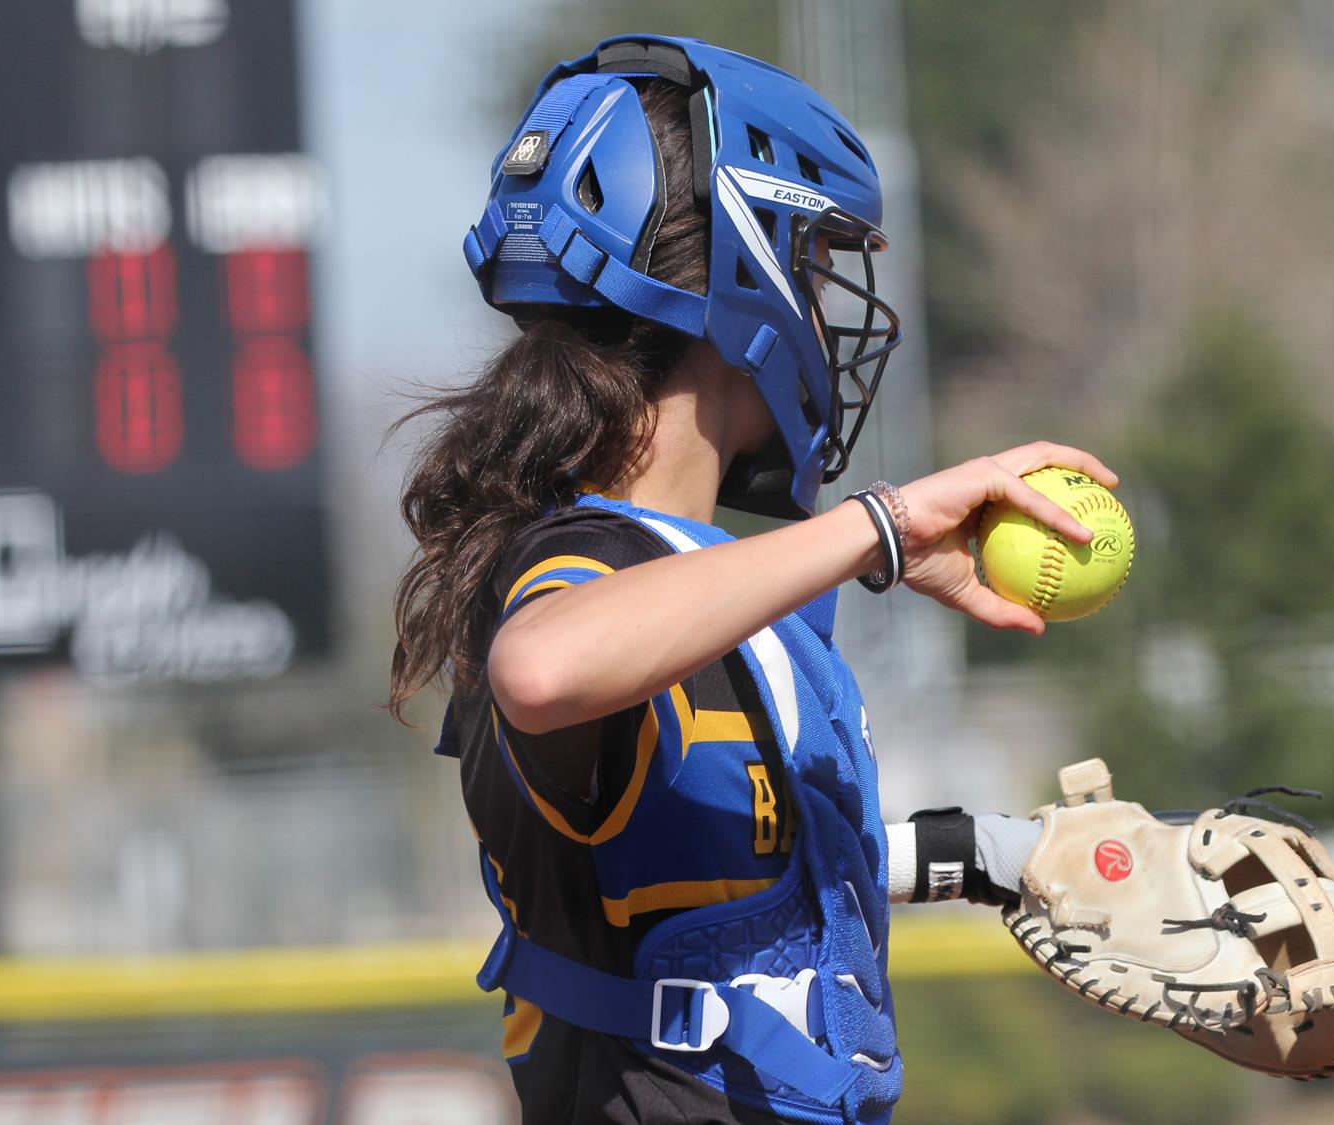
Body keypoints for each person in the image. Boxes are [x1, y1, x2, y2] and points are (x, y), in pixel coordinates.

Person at [388, 35, 1116, 1125]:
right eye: (812, 267)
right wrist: (879, 525)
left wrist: (992, 856)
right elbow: (540, 667)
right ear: (748, 274)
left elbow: (728, 874)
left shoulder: (696, 581)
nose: (824, 313)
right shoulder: (582, 564)